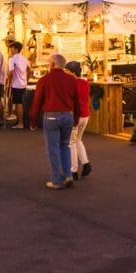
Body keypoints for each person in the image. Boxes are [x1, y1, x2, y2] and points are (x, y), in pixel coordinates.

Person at [29, 52, 84, 189]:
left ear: (52, 64)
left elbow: (37, 102)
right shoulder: (71, 79)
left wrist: (33, 120)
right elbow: (76, 101)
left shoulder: (45, 80)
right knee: (65, 145)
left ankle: (57, 180)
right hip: (68, 115)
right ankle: (68, 174)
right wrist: (76, 118)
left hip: (52, 116)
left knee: (53, 148)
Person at [66, 59, 92, 178]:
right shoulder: (85, 83)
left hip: (75, 116)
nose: (65, 74)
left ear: (73, 72)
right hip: (85, 115)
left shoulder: (71, 84)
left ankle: (73, 170)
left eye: (67, 71)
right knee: (78, 140)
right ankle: (86, 164)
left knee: (71, 143)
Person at [6, 40, 30, 128]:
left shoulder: (12, 59)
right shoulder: (25, 59)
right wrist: (26, 80)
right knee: (18, 103)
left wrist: (9, 83)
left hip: (16, 84)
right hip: (23, 84)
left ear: (16, 49)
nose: (10, 50)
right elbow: (29, 71)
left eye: (12, 48)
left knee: (18, 103)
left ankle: (20, 123)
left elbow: (11, 73)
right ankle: (19, 121)